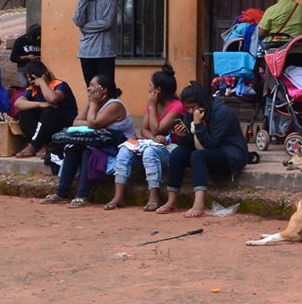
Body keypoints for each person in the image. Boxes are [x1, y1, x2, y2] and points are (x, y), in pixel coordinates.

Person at [157, 84, 247, 218]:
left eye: (192, 107)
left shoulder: (222, 112)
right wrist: (182, 137)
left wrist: (198, 124)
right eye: (187, 108)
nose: (189, 111)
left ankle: (199, 205)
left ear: (202, 103)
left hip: (230, 156)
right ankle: (172, 201)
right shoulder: (191, 113)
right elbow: (191, 143)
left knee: (198, 156)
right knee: (177, 153)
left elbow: (211, 144)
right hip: (207, 152)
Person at [39, 77, 131, 208]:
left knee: (89, 149)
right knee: (73, 147)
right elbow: (76, 122)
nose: (88, 89)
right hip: (100, 142)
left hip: (117, 145)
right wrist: (93, 115)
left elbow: (93, 124)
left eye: (92, 86)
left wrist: (93, 107)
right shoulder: (92, 102)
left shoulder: (114, 105)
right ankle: (61, 193)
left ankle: (82, 195)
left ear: (103, 90)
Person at [106, 66, 184, 211]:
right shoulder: (152, 104)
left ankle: (154, 195)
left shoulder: (177, 107)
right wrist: (154, 139)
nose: (148, 89)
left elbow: (157, 129)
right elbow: (144, 129)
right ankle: (119, 196)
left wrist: (152, 107)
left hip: (171, 150)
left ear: (157, 90)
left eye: (150, 86)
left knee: (149, 152)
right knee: (124, 150)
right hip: (153, 144)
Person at [11, 61, 79, 157]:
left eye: (33, 78)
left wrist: (43, 83)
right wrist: (40, 104)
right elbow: (18, 103)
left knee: (49, 112)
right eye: (29, 78)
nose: (31, 81)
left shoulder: (60, 85)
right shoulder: (33, 88)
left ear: (43, 75)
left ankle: (33, 145)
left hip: (63, 122)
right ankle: (40, 145)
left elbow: (52, 99)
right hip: (44, 127)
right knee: (24, 113)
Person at [74, 0, 120, 90]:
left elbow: (107, 22)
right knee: (91, 90)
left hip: (104, 53)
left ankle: (108, 111)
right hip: (86, 52)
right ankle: (94, 111)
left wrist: (84, 28)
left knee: (107, 90)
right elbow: (77, 21)